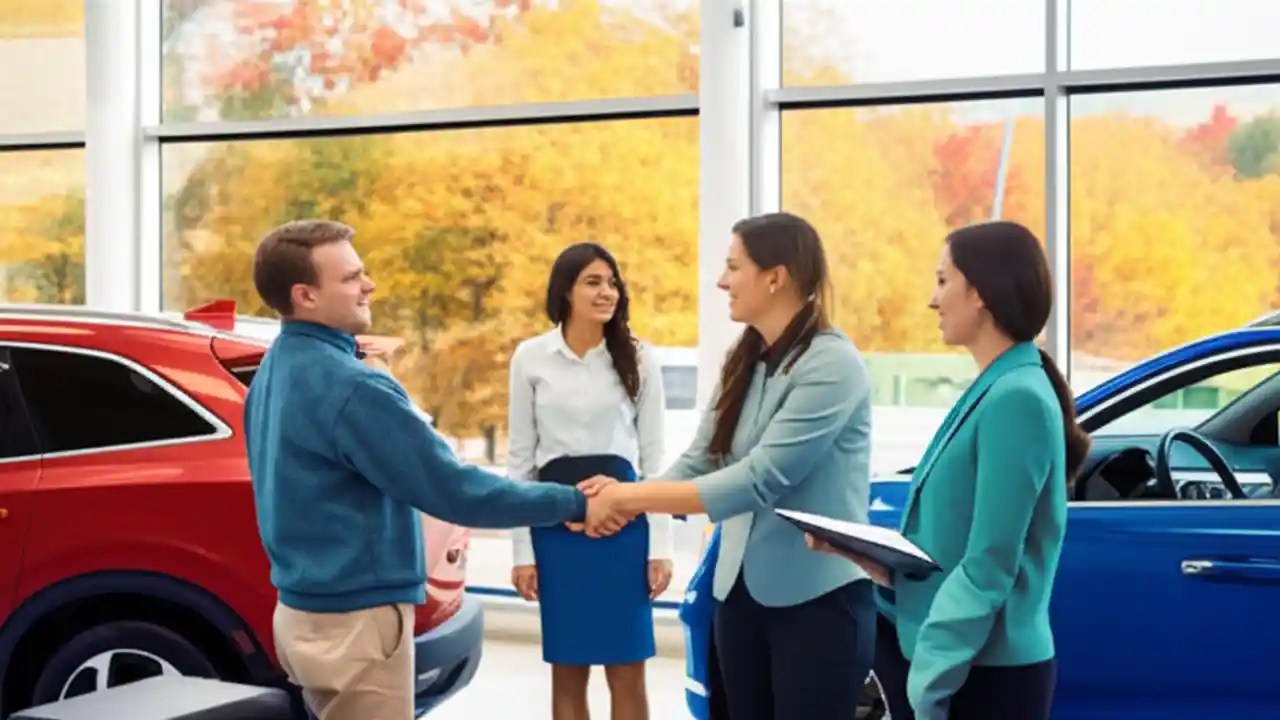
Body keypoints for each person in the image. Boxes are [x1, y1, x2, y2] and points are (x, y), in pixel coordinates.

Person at [243, 219, 626, 720]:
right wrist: (575, 502)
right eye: (351, 277)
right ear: (305, 296)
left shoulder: (274, 368)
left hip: (302, 616)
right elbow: (456, 489)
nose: (369, 284)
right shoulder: (350, 386)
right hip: (355, 625)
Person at [578, 212, 878, 720]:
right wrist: (622, 497)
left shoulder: (833, 364)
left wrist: (627, 499)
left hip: (818, 602)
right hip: (738, 595)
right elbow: (702, 458)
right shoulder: (747, 358)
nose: (722, 281)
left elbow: (761, 479)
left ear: (775, 276)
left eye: (733, 267)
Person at [807, 220, 1089, 720]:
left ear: (979, 293)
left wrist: (928, 686)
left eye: (942, 281)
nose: (932, 301)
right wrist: (882, 565)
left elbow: (989, 565)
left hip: (983, 674)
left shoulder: (1016, 398)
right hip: (968, 663)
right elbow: (957, 542)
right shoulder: (998, 388)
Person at [505, 242, 675, 720]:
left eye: (613, 282)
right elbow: (520, 462)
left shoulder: (640, 357)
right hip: (555, 524)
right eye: (593, 282)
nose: (608, 292)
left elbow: (653, 458)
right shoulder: (530, 357)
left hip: (626, 524)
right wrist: (522, 552)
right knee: (567, 668)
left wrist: (658, 546)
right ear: (566, 291)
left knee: (627, 670)